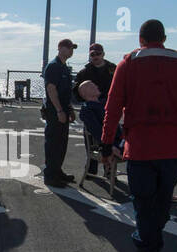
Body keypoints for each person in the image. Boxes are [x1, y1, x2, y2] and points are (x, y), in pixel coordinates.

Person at [100, 19, 177, 252]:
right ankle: (149, 247)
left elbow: (112, 108)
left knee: (144, 205)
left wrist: (105, 144)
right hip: (171, 149)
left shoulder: (128, 64)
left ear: (140, 39)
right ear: (165, 37)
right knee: (160, 206)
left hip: (140, 150)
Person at [42, 39, 78, 186]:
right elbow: (51, 89)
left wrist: (69, 109)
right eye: (68, 48)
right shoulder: (53, 66)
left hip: (63, 109)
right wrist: (59, 111)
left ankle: (57, 171)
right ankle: (50, 175)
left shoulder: (64, 67)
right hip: (54, 111)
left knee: (62, 143)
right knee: (53, 143)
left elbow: (65, 92)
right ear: (60, 48)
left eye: (72, 48)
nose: (71, 51)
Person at [78, 79, 122, 176]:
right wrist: (110, 146)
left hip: (120, 139)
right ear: (85, 93)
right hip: (112, 143)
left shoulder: (103, 103)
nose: (96, 86)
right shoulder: (87, 109)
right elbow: (96, 131)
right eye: (91, 86)